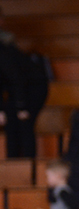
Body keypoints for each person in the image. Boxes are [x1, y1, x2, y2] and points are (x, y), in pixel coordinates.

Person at [0, 12, 49, 160]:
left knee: (24, 123)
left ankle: (30, 169)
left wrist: (22, 107)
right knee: (11, 125)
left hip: (34, 86)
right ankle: (13, 165)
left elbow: (17, 77)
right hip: (16, 88)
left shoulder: (3, 50)